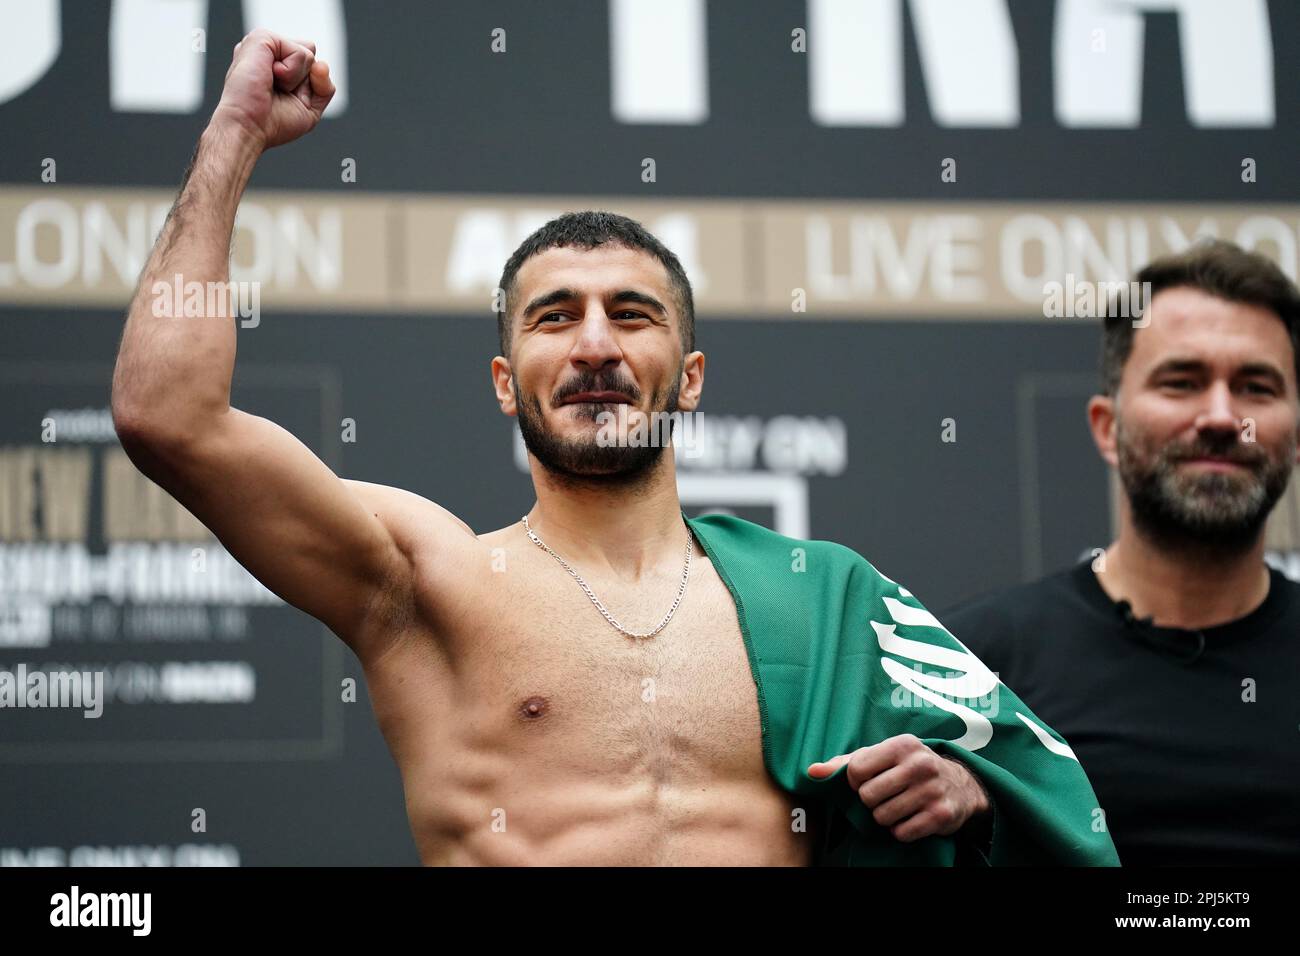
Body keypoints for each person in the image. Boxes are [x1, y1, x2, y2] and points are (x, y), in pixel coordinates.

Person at [111, 30, 1116, 866]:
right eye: (554, 318)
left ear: (691, 375)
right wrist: (234, 135)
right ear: (504, 382)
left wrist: (970, 795)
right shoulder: (426, 583)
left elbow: (1031, 789)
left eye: (632, 314)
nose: (594, 345)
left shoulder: (819, 594)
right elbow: (170, 418)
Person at [942, 239, 1300, 865]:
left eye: (1255, 387)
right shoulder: (977, 665)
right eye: (1181, 382)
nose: (1221, 417)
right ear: (1108, 427)